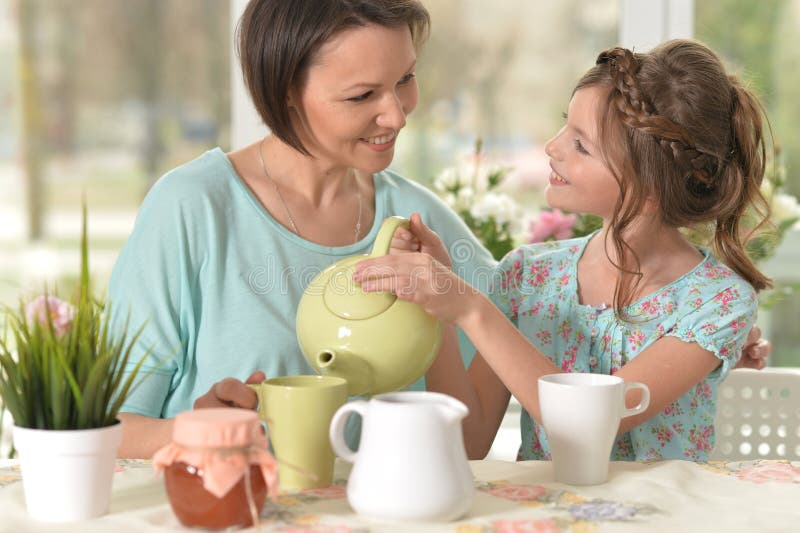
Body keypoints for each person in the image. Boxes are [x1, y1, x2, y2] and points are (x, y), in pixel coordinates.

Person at [108, 0, 495, 458]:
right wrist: (199, 431)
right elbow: (107, 431)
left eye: (405, 80)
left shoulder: (421, 221)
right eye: (361, 96)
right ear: (285, 90)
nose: (396, 115)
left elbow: (471, 442)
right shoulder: (193, 209)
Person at [355, 39, 774, 462]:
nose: (552, 147)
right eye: (564, 126)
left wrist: (469, 308)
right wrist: (438, 311)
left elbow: (589, 424)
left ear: (650, 186)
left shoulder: (716, 302)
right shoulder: (526, 276)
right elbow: (469, 442)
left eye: (581, 145)